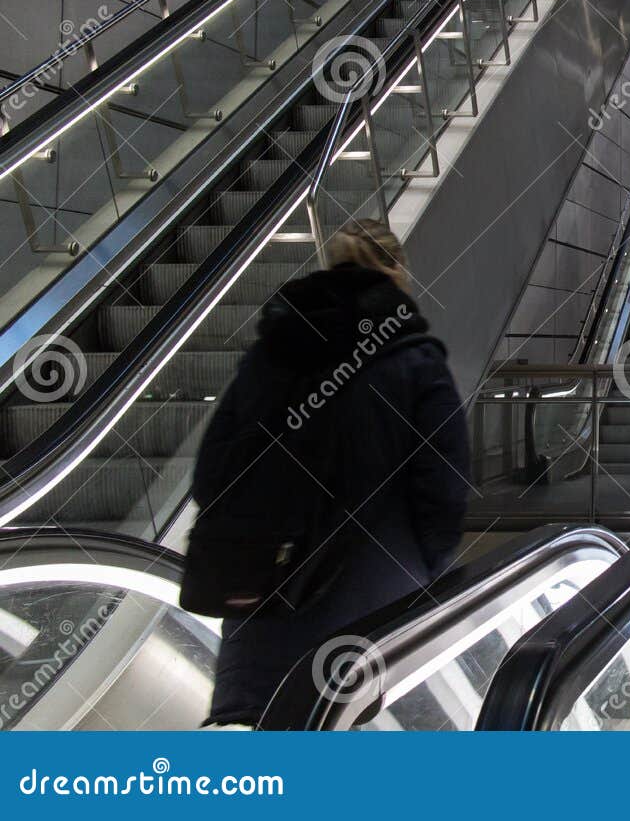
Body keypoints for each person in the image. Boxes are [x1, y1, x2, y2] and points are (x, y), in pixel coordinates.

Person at [195, 219, 469, 726]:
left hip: (262, 603)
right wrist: (422, 577)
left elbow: (211, 475)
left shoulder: (270, 354)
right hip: (372, 608)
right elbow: (444, 492)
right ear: (398, 273)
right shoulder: (416, 363)